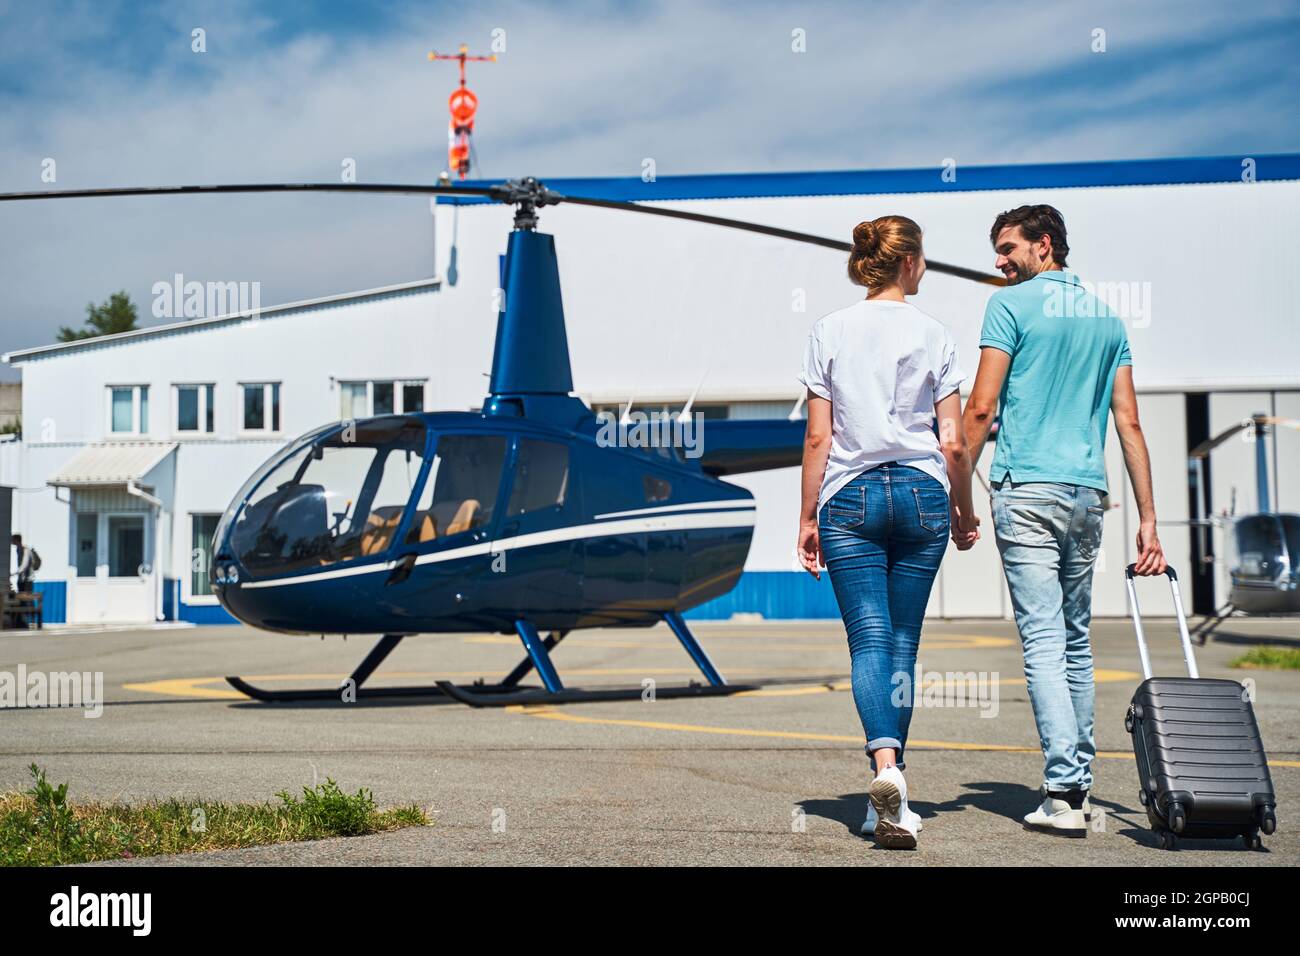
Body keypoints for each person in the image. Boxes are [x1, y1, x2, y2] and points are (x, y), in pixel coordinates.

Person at [962, 204, 1166, 838]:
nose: (999, 260)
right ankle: (1078, 783)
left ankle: (1062, 792)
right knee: (1075, 641)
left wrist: (956, 494)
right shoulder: (1107, 319)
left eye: (1007, 247)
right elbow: (1128, 422)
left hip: (1026, 490)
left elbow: (980, 407)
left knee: (1045, 641)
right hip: (1087, 497)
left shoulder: (1009, 307)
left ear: (1043, 246)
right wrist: (1149, 519)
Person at [798, 214, 979, 849]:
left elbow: (819, 435)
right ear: (907, 262)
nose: (925, 267)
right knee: (903, 644)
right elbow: (953, 442)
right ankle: (893, 797)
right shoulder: (936, 334)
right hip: (925, 494)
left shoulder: (828, 330)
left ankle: (886, 773)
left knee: (868, 643)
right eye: (923, 257)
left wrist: (806, 517)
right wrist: (963, 507)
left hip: (849, 496)